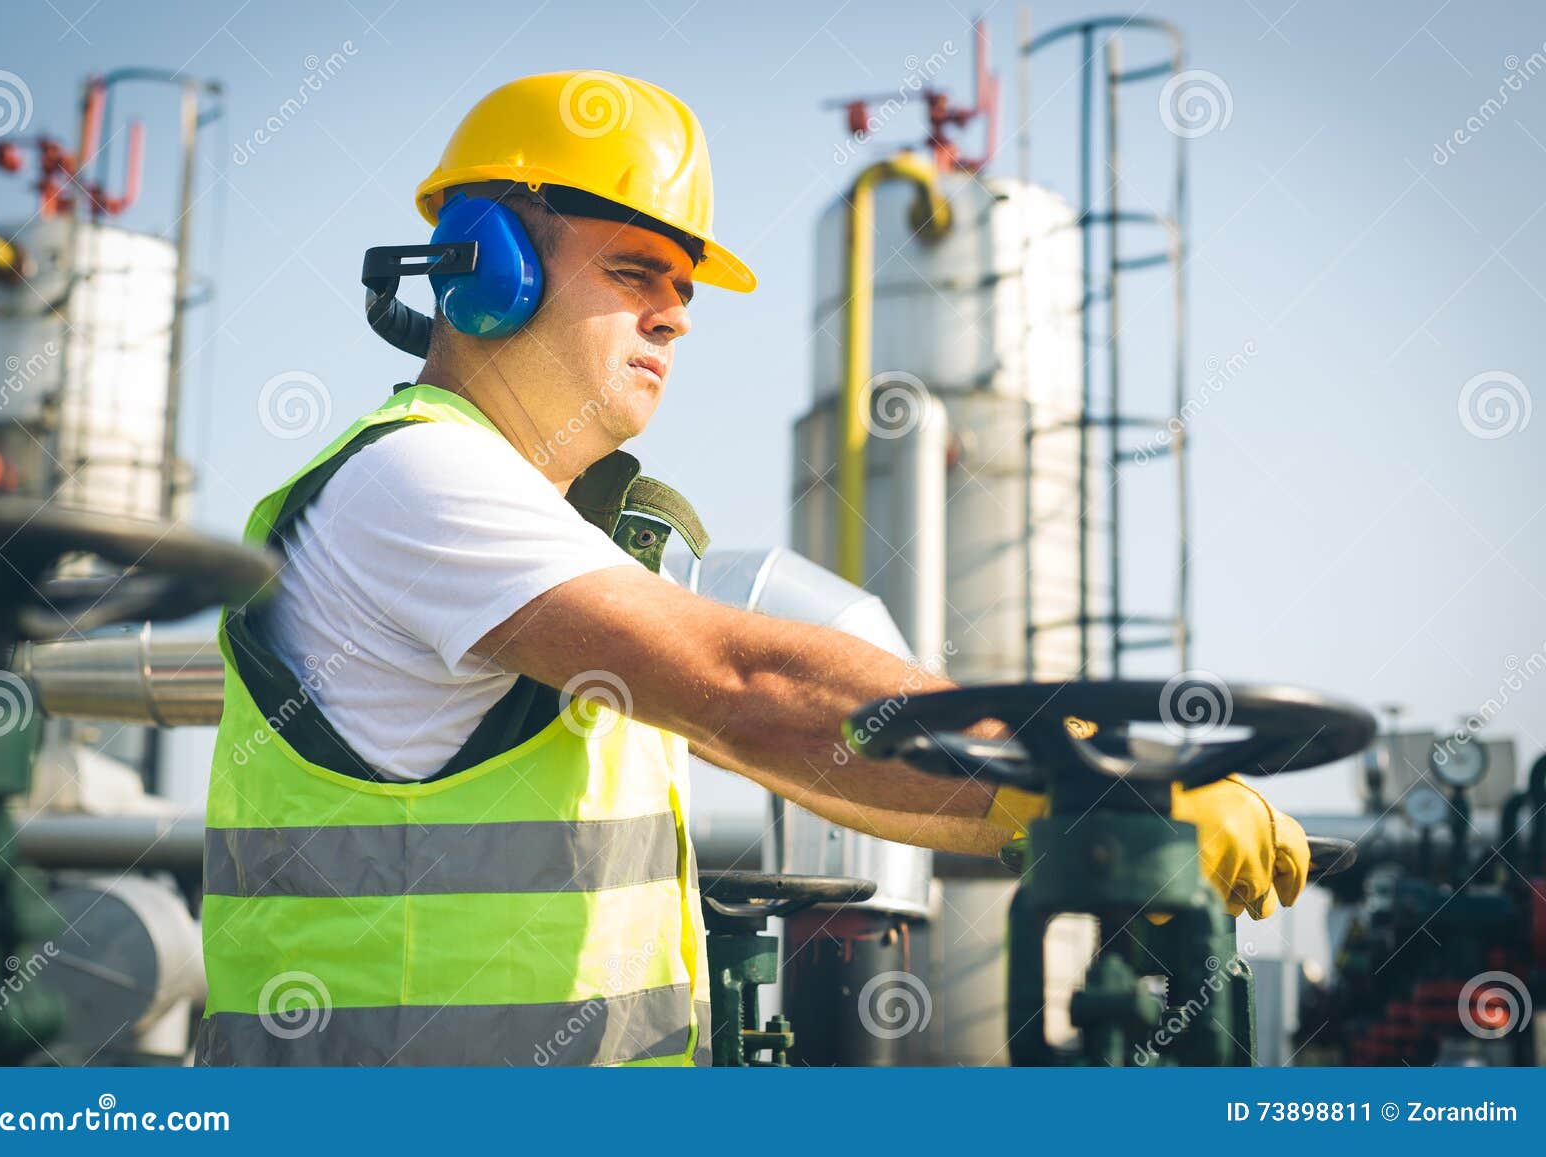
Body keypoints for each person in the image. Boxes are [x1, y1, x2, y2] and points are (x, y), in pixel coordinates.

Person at [194, 70, 1310, 1067]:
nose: (674, 316)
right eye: (636, 270)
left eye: (684, 287)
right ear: (487, 267)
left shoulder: (534, 523)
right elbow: (750, 688)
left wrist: (1070, 815)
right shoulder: (414, 480)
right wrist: (1101, 776)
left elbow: (804, 744)